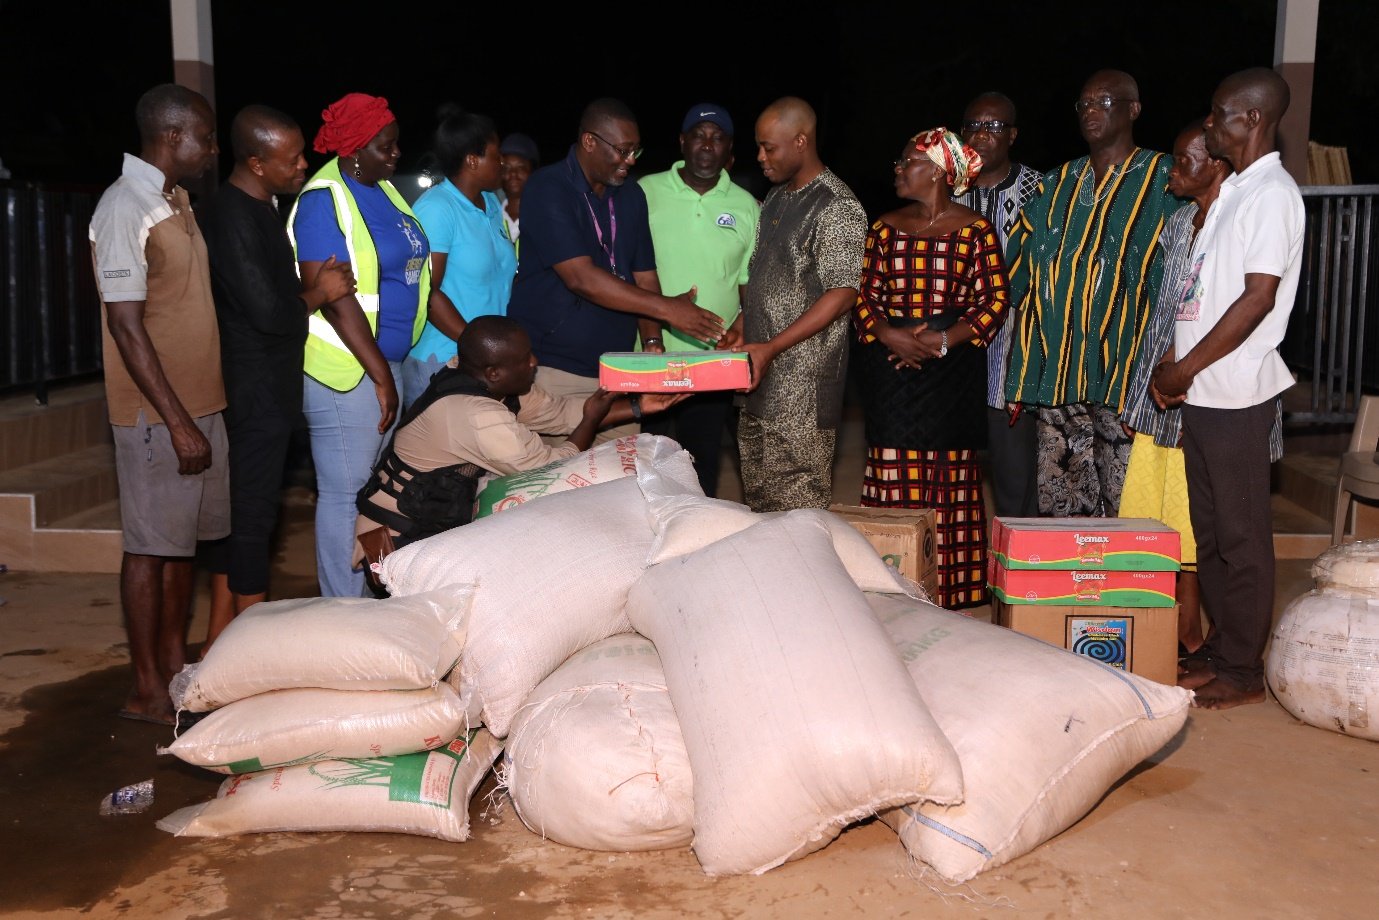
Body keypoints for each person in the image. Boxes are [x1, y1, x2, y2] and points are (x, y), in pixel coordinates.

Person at [1153, 68, 1304, 710]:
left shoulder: (1271, 194)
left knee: (1242, 536)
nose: (1210, 123)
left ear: (1253, 120)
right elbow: (1201, 293)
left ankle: (1243, 668)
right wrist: (1175, 360)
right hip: (1204, 392)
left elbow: (1258, 297)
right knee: (1211, 532)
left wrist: (1184, 369)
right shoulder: (1236, 192)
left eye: (1219, 114)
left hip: (1238, 392)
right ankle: (1222, 648)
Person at [88, 84, 227, 724]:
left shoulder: (175, 199)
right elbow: (125, 325)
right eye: (205, 137)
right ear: (173, 137)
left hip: (199, 405)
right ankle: (146, 687)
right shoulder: (125, 206)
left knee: (180, 546)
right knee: (149, 547)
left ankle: (173, 668)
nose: (212, 148)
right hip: (157, 414)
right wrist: (176, 422)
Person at [197, 105, 357, 644]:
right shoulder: (231, 215)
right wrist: (321, 292)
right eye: (292, 159)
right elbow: (268, 313)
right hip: (252, 389)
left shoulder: (260, 207)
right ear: (257, 162)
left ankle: (221, 637)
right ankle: (251, 643)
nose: (303, 165)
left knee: (245, 516)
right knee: (253, 519)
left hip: (267, 385)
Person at [353, 315, 682, 571]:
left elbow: (561, 413)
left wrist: (638, 407)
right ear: (494, 372)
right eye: (525, 359)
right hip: (392, 536)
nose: (534, 362)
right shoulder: (476, 414)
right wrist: (590, 422)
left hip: (426, 525)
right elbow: (552, 467)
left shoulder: (481, 383)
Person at [1004, 70, 1181, 518]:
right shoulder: (1055, 184)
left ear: (1133, 109)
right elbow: (1015, 275)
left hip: (1128, 375)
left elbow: (1184, 275)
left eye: (1103, 102)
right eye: (1083, 103)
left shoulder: (1166, 180)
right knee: (1063, 509)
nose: (1089, 111)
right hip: (1057, 373)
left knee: (1129, 507)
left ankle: (1124, 569)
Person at [506, 98, 725, 444]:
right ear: (590, 142)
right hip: (554, 371)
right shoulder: (548, 188)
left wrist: (652, 340)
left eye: (636, 150)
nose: (631, 160)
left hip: (619, 374)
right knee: (557, 474)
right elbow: (580, 278)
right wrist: (668, 309)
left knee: (622, 474)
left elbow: (644, 276)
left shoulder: (631, 196)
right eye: (623, 151)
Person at [853, 128, 1010, 609]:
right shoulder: (884, 229)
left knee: (951, 479)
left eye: (908, 162)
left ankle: (951, 595)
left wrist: (942, 340)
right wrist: (890, 335)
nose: (898, 169)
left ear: (939, 172)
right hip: (892, 371)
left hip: (951, 373)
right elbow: (864, 298)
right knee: (892, 472)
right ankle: (891, 589)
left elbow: (994, 300)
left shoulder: (976, 231)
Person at [287, 92, 431, 597]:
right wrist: (380, 373)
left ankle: (367, 598)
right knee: (345, 495)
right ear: (353, 150)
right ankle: (342, 609)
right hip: (346, 372)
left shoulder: (384, 191)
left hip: (384, 365)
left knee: (373, 494)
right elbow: (334, 297)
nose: (396, 154)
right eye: (385, 146)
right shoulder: (323, 200)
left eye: (396, 144)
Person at [1117, 121, 1231, 662]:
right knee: (1155, 511)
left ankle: (1191, 631)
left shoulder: (1234, 220)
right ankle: (1164, 625)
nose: (1172, 170)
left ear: (1217, 165)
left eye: (1185, 160)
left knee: (1195, 517)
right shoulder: (1180, 222)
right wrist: (1139, 395)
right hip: (1162, 388)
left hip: (1206, 387)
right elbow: (1162, 314)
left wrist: (1186, 382)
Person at [733, 96, 867, 512]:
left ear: (801, 142)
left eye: (768, 147)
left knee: (797, 520)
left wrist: (771, 347)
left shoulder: (837, 206)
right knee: (759, 511)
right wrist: (741, 325)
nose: (760, 157)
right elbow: (762, 279)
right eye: (758, 146)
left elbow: (843, 293)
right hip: (758, 384)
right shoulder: (776, 198)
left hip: (801, 397)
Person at [639, 102, 760, 495]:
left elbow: (749, 282)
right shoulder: (644, 191)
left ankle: (700, 530)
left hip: (713, 359)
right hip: (648, 353)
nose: (707, 144)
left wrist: (743, 323)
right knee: (642, 462)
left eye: (717, 137)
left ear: (729, 149)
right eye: (699, 135)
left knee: (702, 461)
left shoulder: (746, 206)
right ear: (682, 141)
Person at [953, 91, 1043, 519]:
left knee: (1015, 480)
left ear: (1012, 135)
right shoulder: (945, 190)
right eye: (972, 126)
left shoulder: (1040, 191)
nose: (981, 135)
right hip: (953, 357)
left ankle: (1020, 558)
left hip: (1013, 358)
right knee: (951, 483)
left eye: (993, 126)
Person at [403, 108, 517, 410]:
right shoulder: (437, 208)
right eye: (496, 155)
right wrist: (477, 348)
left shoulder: (491, 203)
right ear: (472, 160)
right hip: (444, 359)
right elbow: (428, 292)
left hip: (486, 363)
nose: (503, 163)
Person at [498, 132, 539, 247]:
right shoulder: (492, 216)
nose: (513, 174)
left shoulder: (545, 216)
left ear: (533, 172)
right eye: (506, 168)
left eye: (521, 168)